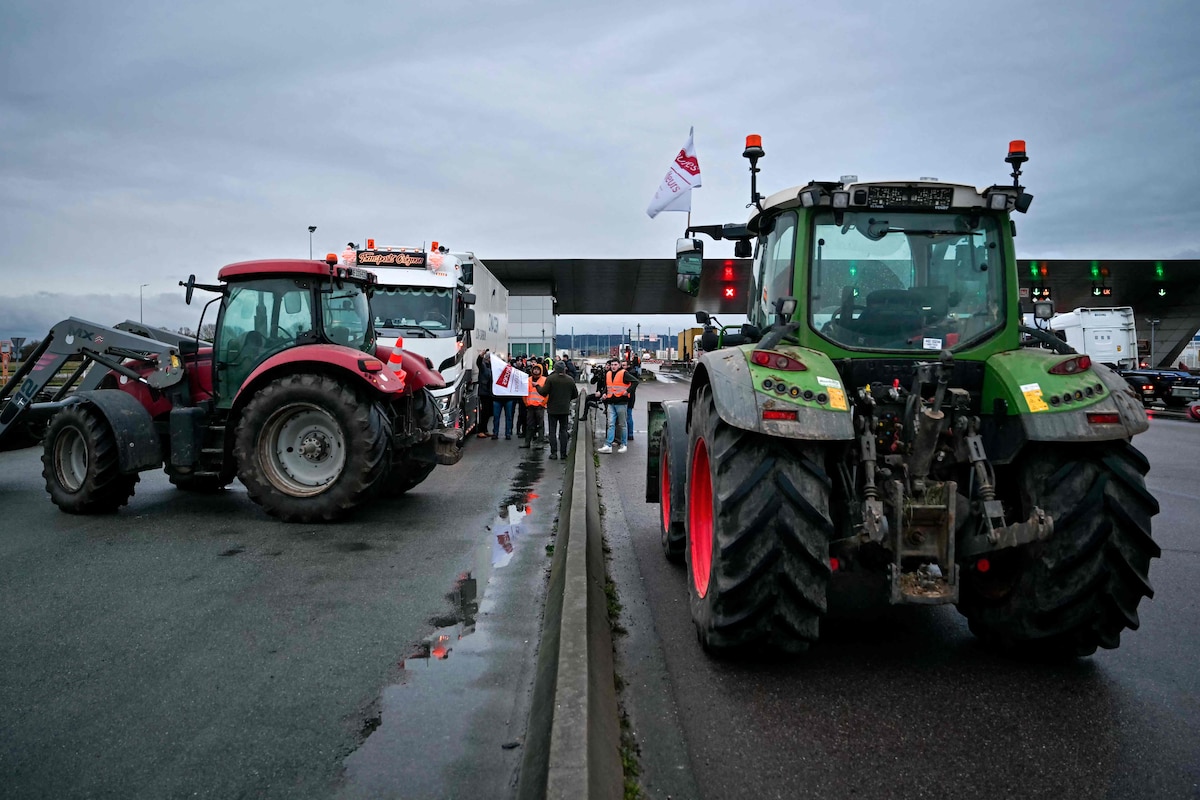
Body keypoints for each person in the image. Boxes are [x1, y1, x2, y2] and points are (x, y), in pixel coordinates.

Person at [539, 361, 579, 460]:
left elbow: (543, 393)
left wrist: (537, 386)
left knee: (552, 431)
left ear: (555, 369)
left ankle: (553, 453)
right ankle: (563, 453)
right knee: (563, 431)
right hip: (564, 409)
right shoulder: (570, 380)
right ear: (564, 369)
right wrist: (567, 399)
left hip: (552, 409)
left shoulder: (551, 379)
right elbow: (575, 394)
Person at [596, 357, 637, 454]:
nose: (613, 367)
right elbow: (608, 386)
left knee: (622, 424)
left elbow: (635, 382)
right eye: (612, 365)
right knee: (611, 424)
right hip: (611, 401)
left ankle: (624, 444)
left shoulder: (624, 373)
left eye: (615, 365)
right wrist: (605, 393)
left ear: (619, 365)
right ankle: (608, 445)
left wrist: (627, 391)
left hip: (621, 402)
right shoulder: (609, 374)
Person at [520, 363, 548, 449]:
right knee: (529, 425)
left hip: (540, 406)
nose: (536, 371)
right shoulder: (528, 380)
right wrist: (526, 403)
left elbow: (547, 394)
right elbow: (524, 393)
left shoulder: (544, 380)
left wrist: (543, 403)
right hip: (530, 406)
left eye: (538, 369)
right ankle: (527, 442)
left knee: (540, 425)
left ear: (541, 371)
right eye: (534, 369)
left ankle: (540, 443)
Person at [491, 354, 516, 440]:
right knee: (496, 416)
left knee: (508, 416)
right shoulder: (495, 372)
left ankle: (507, 433)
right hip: (498, 398)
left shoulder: (511, 373)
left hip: (507, 398)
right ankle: (495, 432)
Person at [476, 349, 494, 438]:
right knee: (484, 412)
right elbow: (478, 362)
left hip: (490, 392)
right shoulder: (483, 366)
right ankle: (481, 430)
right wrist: (481, 355)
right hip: (484, 392)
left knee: (488, 413)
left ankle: (485, 429)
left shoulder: (491, 366)